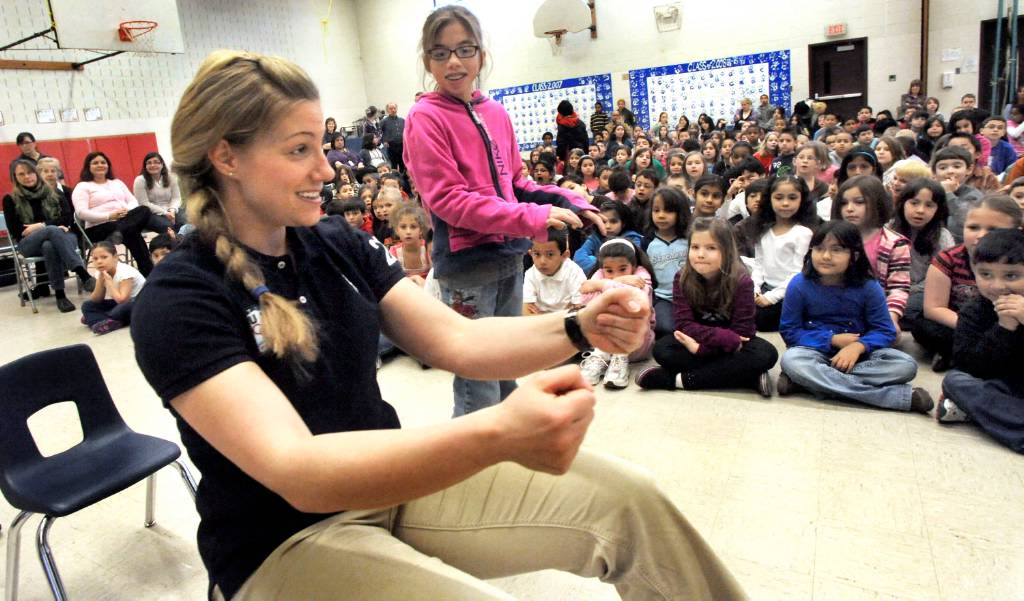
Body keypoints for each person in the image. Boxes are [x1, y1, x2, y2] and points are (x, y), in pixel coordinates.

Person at [130, 47, 745, 601]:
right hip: (282, 544)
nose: (325, 170)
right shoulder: (181, 299)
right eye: (298, 150)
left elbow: (459, 339)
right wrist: (499, 433)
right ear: (225, 157)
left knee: (633, 504)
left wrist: (583, 327)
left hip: (387, 490)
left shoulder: (332, 242)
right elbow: (301, 474)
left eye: (322, 145)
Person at [403, 6, 603, 417]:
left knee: (507, 365)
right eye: (440, 53)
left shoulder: (494, 112)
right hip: (467, 263)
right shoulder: (425, 117)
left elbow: (517, 184)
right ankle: (478, 466)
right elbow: (449, 200)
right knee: (478, 379)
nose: (453, 61)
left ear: (481, 55)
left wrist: (569, 201)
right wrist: (531, 219)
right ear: (428, 62)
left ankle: (509, 451)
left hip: (509, 257)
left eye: (464, 49)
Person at [777, 220, 932, 412]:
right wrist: (831, 340)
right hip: (813, 352)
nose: (826, 256)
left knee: (906, 365)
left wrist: (859, 347)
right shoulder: (799, 284)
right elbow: (790, 331)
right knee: (792, 360)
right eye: (819, 248)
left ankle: (807, 383)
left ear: (855, 255)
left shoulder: (869, 287)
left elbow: (885, 331)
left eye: (837, 249)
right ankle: (899, 397)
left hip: (860, 357)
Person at [638, 217, 777, 396]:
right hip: (710, 341)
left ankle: (677, 380)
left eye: (711, 248)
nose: (700, 254)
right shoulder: (682, 278)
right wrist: (719, 340)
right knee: (663, 350)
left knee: (766, 354)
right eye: (695, 247)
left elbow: (743, 333)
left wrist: (701, 350)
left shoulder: (742, 281)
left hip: (723, 344)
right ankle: (747, 377)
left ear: (727, 252)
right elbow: (684, 325)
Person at [938, 229, 1024, 453]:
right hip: (1004, 389)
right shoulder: (974, 311)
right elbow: (969, 367)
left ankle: (977, 413)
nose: (997, 286)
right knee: (956, 381)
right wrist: (1004, 328)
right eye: (986, 275)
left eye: (1011, 276)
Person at [915, 194, 1022, 371]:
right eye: (973, 227)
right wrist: (972, 328)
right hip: (968, 322)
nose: (980, 235)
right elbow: (933, 308)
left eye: (1010, 275)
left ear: (1018, 231)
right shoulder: (949, 258)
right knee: (923, 325)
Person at [2, 159, 95, 311]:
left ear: (36, 173)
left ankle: (61, 296)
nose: (27, 177)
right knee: (53, 231)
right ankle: (83, 274)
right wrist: (50, 226)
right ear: (15, 177)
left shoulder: (54, 192)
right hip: (29, 243)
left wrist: (40, 226)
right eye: (21, 174)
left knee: (49, 245)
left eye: (30, 172)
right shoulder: (10, 199)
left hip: (64, 236)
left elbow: (67, 217)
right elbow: (17, 230)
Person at [834, 176, 912, 333]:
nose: (849, 208)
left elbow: (898, 287)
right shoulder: (831, 239)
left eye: (859, 202)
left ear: (877, 203)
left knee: (890, 335)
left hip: (874, 310)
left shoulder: (894, 243)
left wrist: (891, 317)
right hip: (834, 308)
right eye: (844, 203)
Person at [578, 238, 656, 389]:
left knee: (627, 310)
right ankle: (600, 358)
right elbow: (587, 302)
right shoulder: (599, 275)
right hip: (603, 340)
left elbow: (635, 301)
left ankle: (619, 361)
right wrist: (621, 280)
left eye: (622, 269)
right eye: (609, 271)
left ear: (633, 266)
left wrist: (602, 286)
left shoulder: (642, 276)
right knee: (596, 314)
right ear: (602, 268)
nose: (614, 274)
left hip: (636, 344)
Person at [743, 175, 816, 332]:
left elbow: (798, 272)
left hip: (791, 291)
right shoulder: (763, 230)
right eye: (779, 197)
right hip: (765, 288)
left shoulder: (802, 233)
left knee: (763, 319)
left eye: (792, 198)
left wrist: (771, 297)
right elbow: (759, 265)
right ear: (769, 199)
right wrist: (754, 289)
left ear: (801, 200)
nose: (785, 203)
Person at [71, 151, 154, 276]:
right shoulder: (83, 186)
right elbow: (81, 212)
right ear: (88, 167)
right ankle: (149, 273)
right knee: (133, 232)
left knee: (144, 210)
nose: (100, 165)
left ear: (108, 165)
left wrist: (127, 211)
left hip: (122, 221)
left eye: (103, 162)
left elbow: (132, 200)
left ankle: (119, 233)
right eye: (95, 163)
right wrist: (109, 216)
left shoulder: (117, 183)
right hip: (98, 226)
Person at [889, 178, 955, 333]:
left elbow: (940, 278)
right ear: (902, 204)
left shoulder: (942, 237)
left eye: (929, 205)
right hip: (891, 291)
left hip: (923, 293)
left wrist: (909, 291)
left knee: (918, 309)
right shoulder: (888, 230)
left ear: (938, 209)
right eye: (914, 203)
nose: (920, 210)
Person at [644, 186, 691, 336]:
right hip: (663, 298)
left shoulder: (690, 239)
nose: (661, 216)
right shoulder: (648, 242)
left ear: (680, 212)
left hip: (691, 296)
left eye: (668, 211)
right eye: (656, 210)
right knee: (665, 327)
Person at [82, 240, 144, 334]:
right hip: (120, 303)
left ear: (115, 257)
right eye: (95, 258)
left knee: (120, 310)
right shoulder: (100, 272)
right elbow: (96, 299)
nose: (99, 261)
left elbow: (122, 300)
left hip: (138, 303)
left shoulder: (125, 272)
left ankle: (99, 318)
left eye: (104, 257)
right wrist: (100, 280)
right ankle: (104, 322)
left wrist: (110, 283)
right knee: (87, 305)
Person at [522, 227, 586, 315]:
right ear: (530, 253)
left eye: (550, 254)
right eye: (537, 254)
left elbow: (580, 309)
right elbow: (526, 310)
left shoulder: (575, 272)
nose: (542, 261)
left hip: (566, 322)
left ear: (564, 255)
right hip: (542, 322)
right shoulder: (530, 274)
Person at [574, 199, 642, 273]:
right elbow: (579, 256)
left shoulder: (632, 239)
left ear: (623, 224)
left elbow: (633, 263)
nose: (607, 226)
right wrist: (604, 272)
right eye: (603, 221)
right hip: (598, 279)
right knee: (591, 259)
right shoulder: (595, 237)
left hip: (624, 279)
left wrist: (607, 270)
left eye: (613, 221)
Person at [133, 152, 183, 234]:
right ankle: (174, 245)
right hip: (151, 213)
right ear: (145, 166)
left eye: (156, 162)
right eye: (149, 163)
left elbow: (176, 198)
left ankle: (185, 244)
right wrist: (165, 213)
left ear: (162, 164)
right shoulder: (140, 180)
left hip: (171, 209)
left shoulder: (172, 177)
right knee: (168, 226)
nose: (153, 165)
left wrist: (172, 210)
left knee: (185, 222)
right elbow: (144, 203)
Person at [388, 203, 432, 281]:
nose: (408, 232)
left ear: (421, 229)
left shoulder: (427, 248)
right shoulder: (393, 252)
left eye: (413, 227)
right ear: (396, 230)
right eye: (403, 227)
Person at [555, 100, 589, 164]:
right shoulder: (581, 123)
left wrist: (560, 157)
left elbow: (561, 144)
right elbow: (586, 141)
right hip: (581, 154)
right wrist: (586, 154)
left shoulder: (562, 125)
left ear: (561, 113)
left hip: (569, 156)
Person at [381, 103, 406, 173]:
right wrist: (384, 141)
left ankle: (403, 179)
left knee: (403, 163)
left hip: (402, 145)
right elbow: (379, 133)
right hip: (391, 146)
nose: (393, 110)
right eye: (391, 108)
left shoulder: (402, 120)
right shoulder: (384, 121)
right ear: (387, 110)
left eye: (394, 108)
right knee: (393, 164)